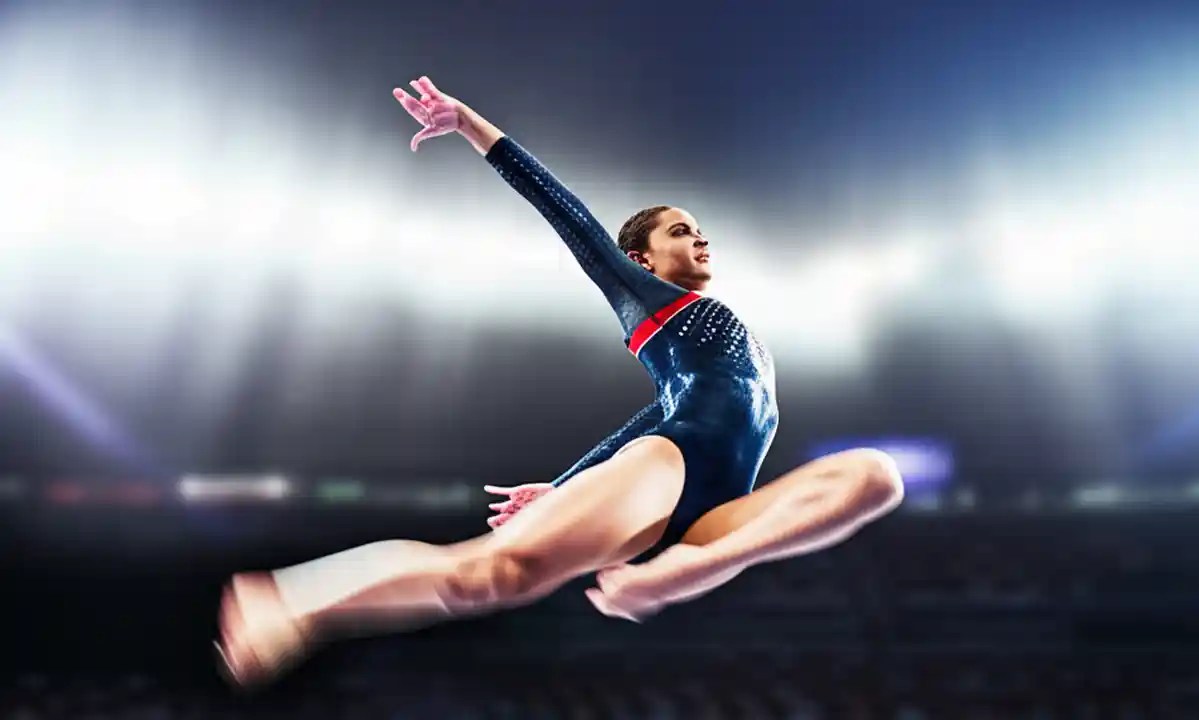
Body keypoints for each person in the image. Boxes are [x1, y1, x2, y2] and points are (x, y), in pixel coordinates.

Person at [214, 74, 904, 688]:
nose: (701, 239)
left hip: (715, 507)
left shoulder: (717, 331)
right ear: (641, 259)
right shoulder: (653, 300)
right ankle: (287, 599)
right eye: (681, 231)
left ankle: (684, 572)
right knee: (489, 576)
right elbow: (569, 217)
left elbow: (664, 408)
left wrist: (570, 482)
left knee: (877, 477)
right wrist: (471, 125)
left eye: (699, 230)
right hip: (677, 464)